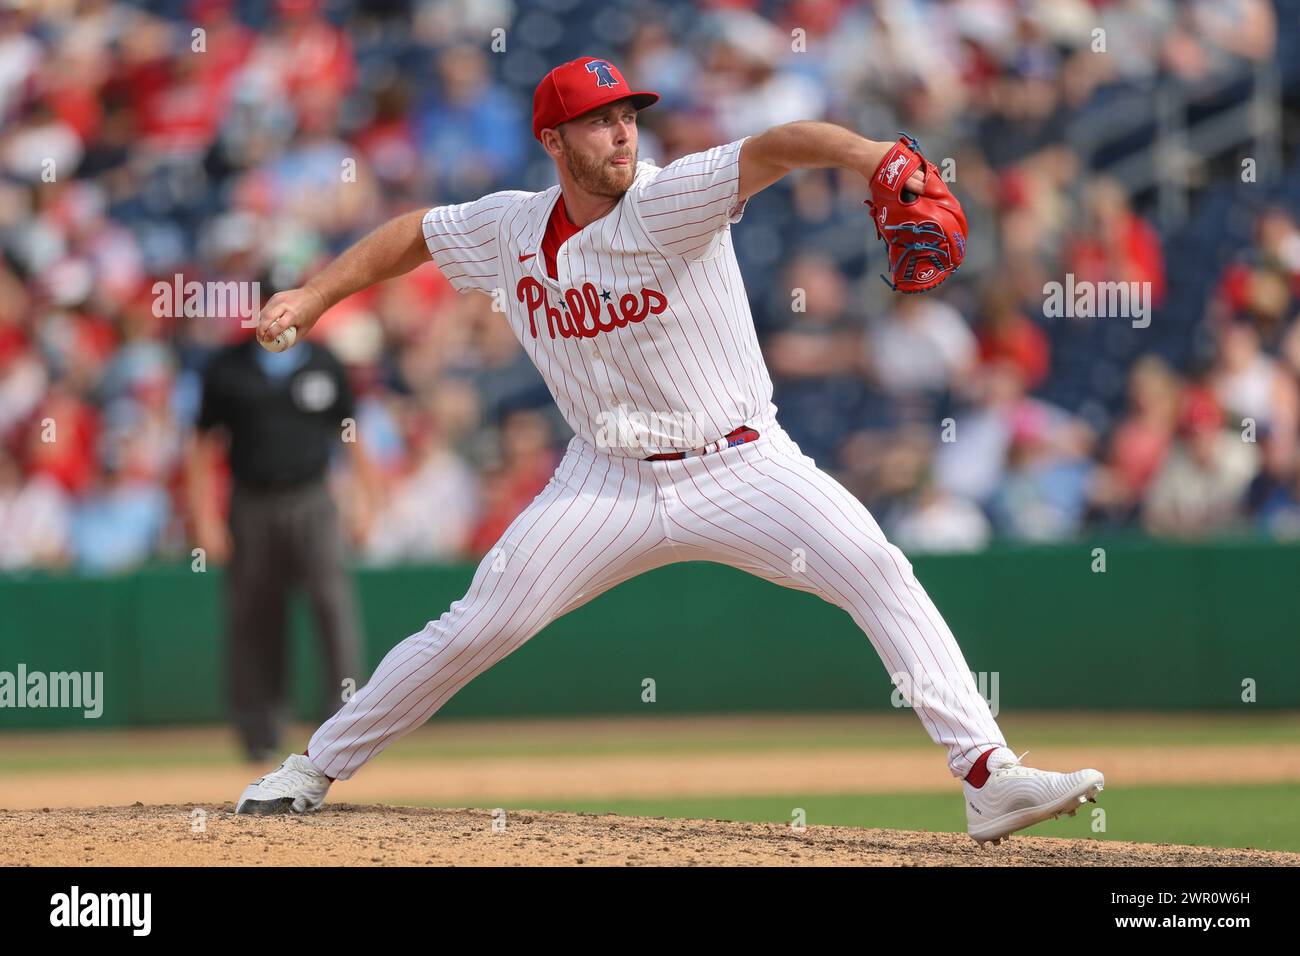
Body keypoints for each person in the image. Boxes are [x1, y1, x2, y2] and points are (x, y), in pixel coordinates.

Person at [235, 56, 1103, 846]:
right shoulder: (508, 228)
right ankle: (309, 770)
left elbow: (778, 146)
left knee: (877, 566)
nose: (621, 134)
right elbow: (416, 235)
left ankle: (988, 776)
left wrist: (873, 156)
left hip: (741, 464)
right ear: (553, 139)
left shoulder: (667, 196)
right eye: (598, 121)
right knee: (475, 627)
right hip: (602, 481)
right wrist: (314, 296)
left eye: (629, 116)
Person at [187, 328, 374, 762]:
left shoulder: (324, 361)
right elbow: (201, 444)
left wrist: (367, 500)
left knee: (333, 608)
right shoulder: (228, 366)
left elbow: (350, 432)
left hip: (313, 497)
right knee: (255, 617)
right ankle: (259, 734)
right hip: (251, 500)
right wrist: (204, 517)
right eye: (269, 299)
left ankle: (346, 730)